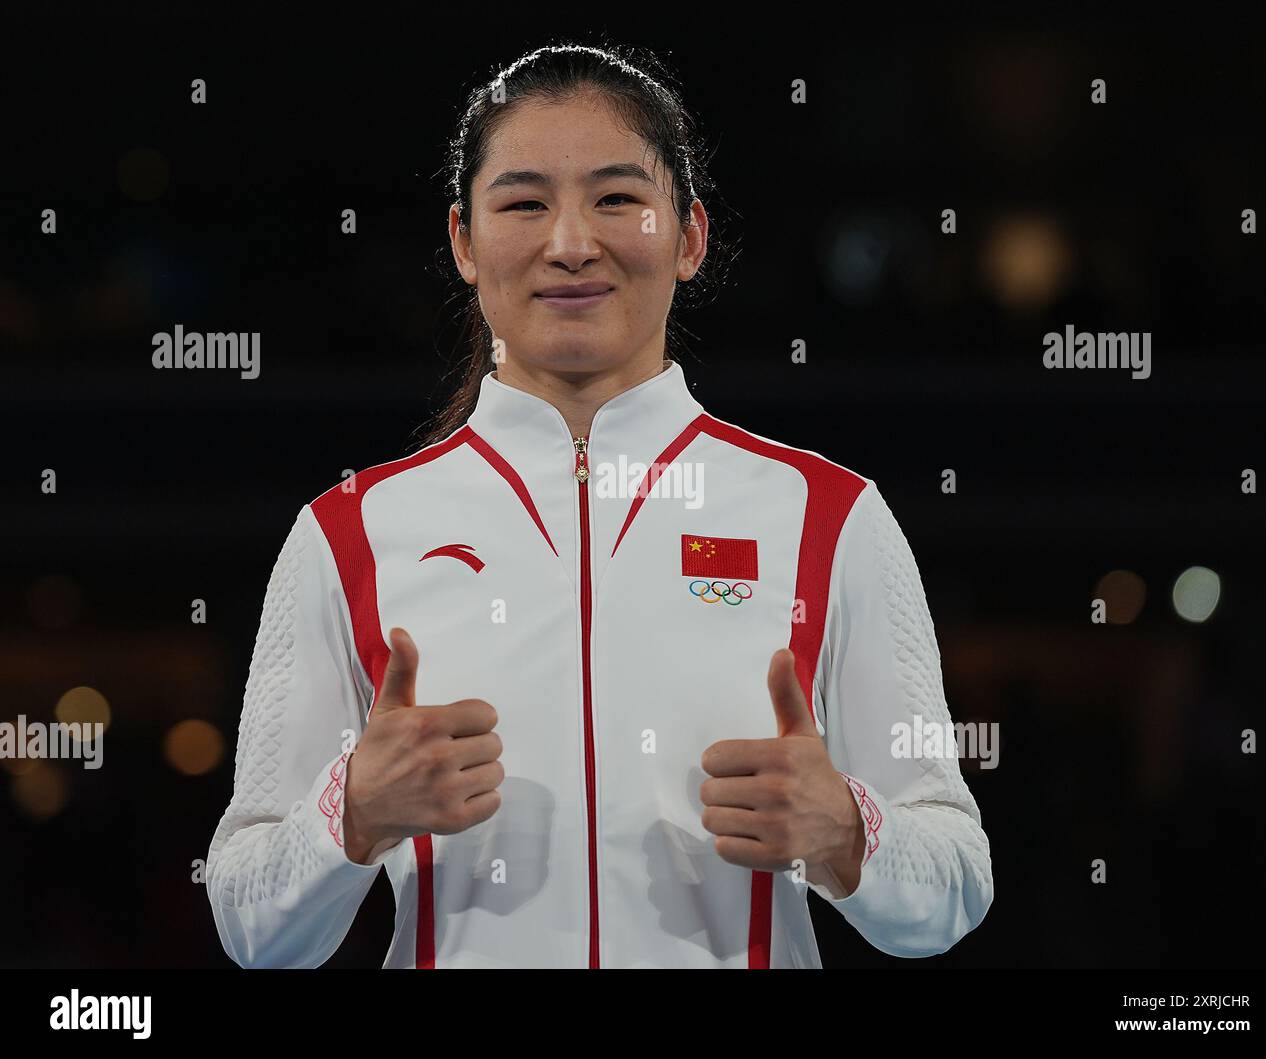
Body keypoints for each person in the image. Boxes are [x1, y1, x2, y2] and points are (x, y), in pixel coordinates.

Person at [204, 43, 993, 969]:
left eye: (618, 198)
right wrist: (351, 810)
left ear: (690, 235)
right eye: (524, 202)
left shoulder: (828, 515)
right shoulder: (347, 534)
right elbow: (249, 920)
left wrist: (849, 832)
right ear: (463, 241)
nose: (571, 241)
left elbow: (956, 883)